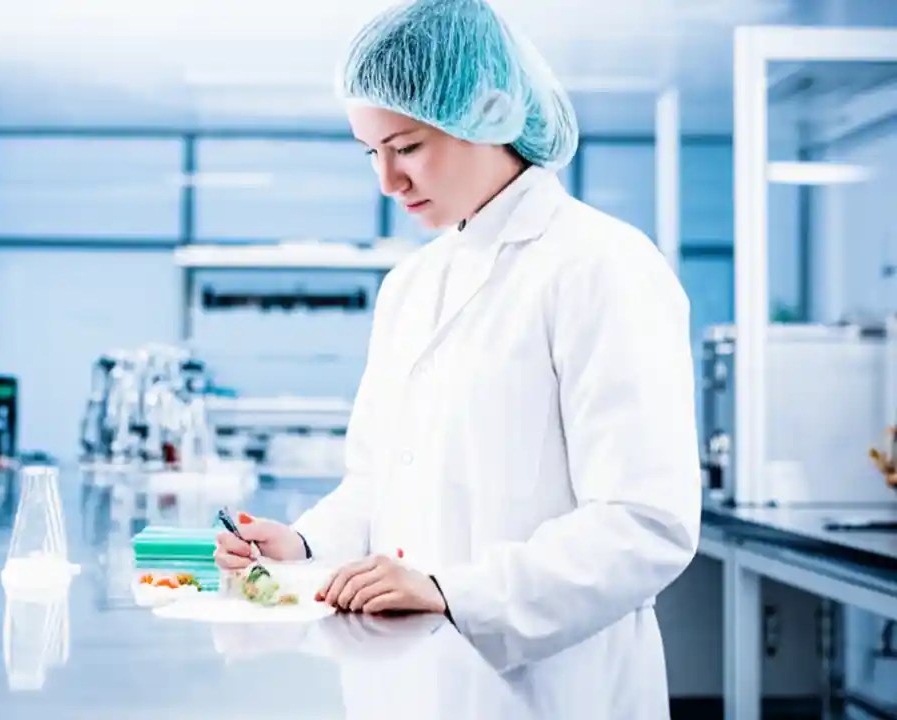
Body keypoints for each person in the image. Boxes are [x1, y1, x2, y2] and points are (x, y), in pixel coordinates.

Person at [214, 0, 700, 716]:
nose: (387, 181)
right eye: (370, 152)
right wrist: (303, 544)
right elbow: (379, 481)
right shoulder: (411, 286)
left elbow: (644, 522)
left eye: (405, 147)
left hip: (551, 692)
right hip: (403, 682)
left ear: (488, 113)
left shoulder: (602, 264)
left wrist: (454, 593)